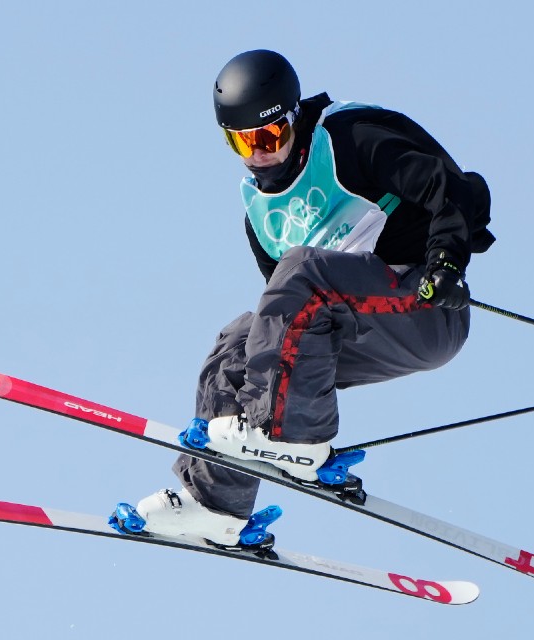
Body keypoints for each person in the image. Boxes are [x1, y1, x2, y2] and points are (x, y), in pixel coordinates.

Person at [111, 49, 496, 549]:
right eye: (242, 143)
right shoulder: (260, 213)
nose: (260, 154)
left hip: (423, 306)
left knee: (301, 272)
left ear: (293, 118)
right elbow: (285, 326)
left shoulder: (349, 138)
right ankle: (217, 504)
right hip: (356, 324)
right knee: (236, 343)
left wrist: (446, 261)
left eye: (270, 136)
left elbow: (454, 189)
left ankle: (289, 433)